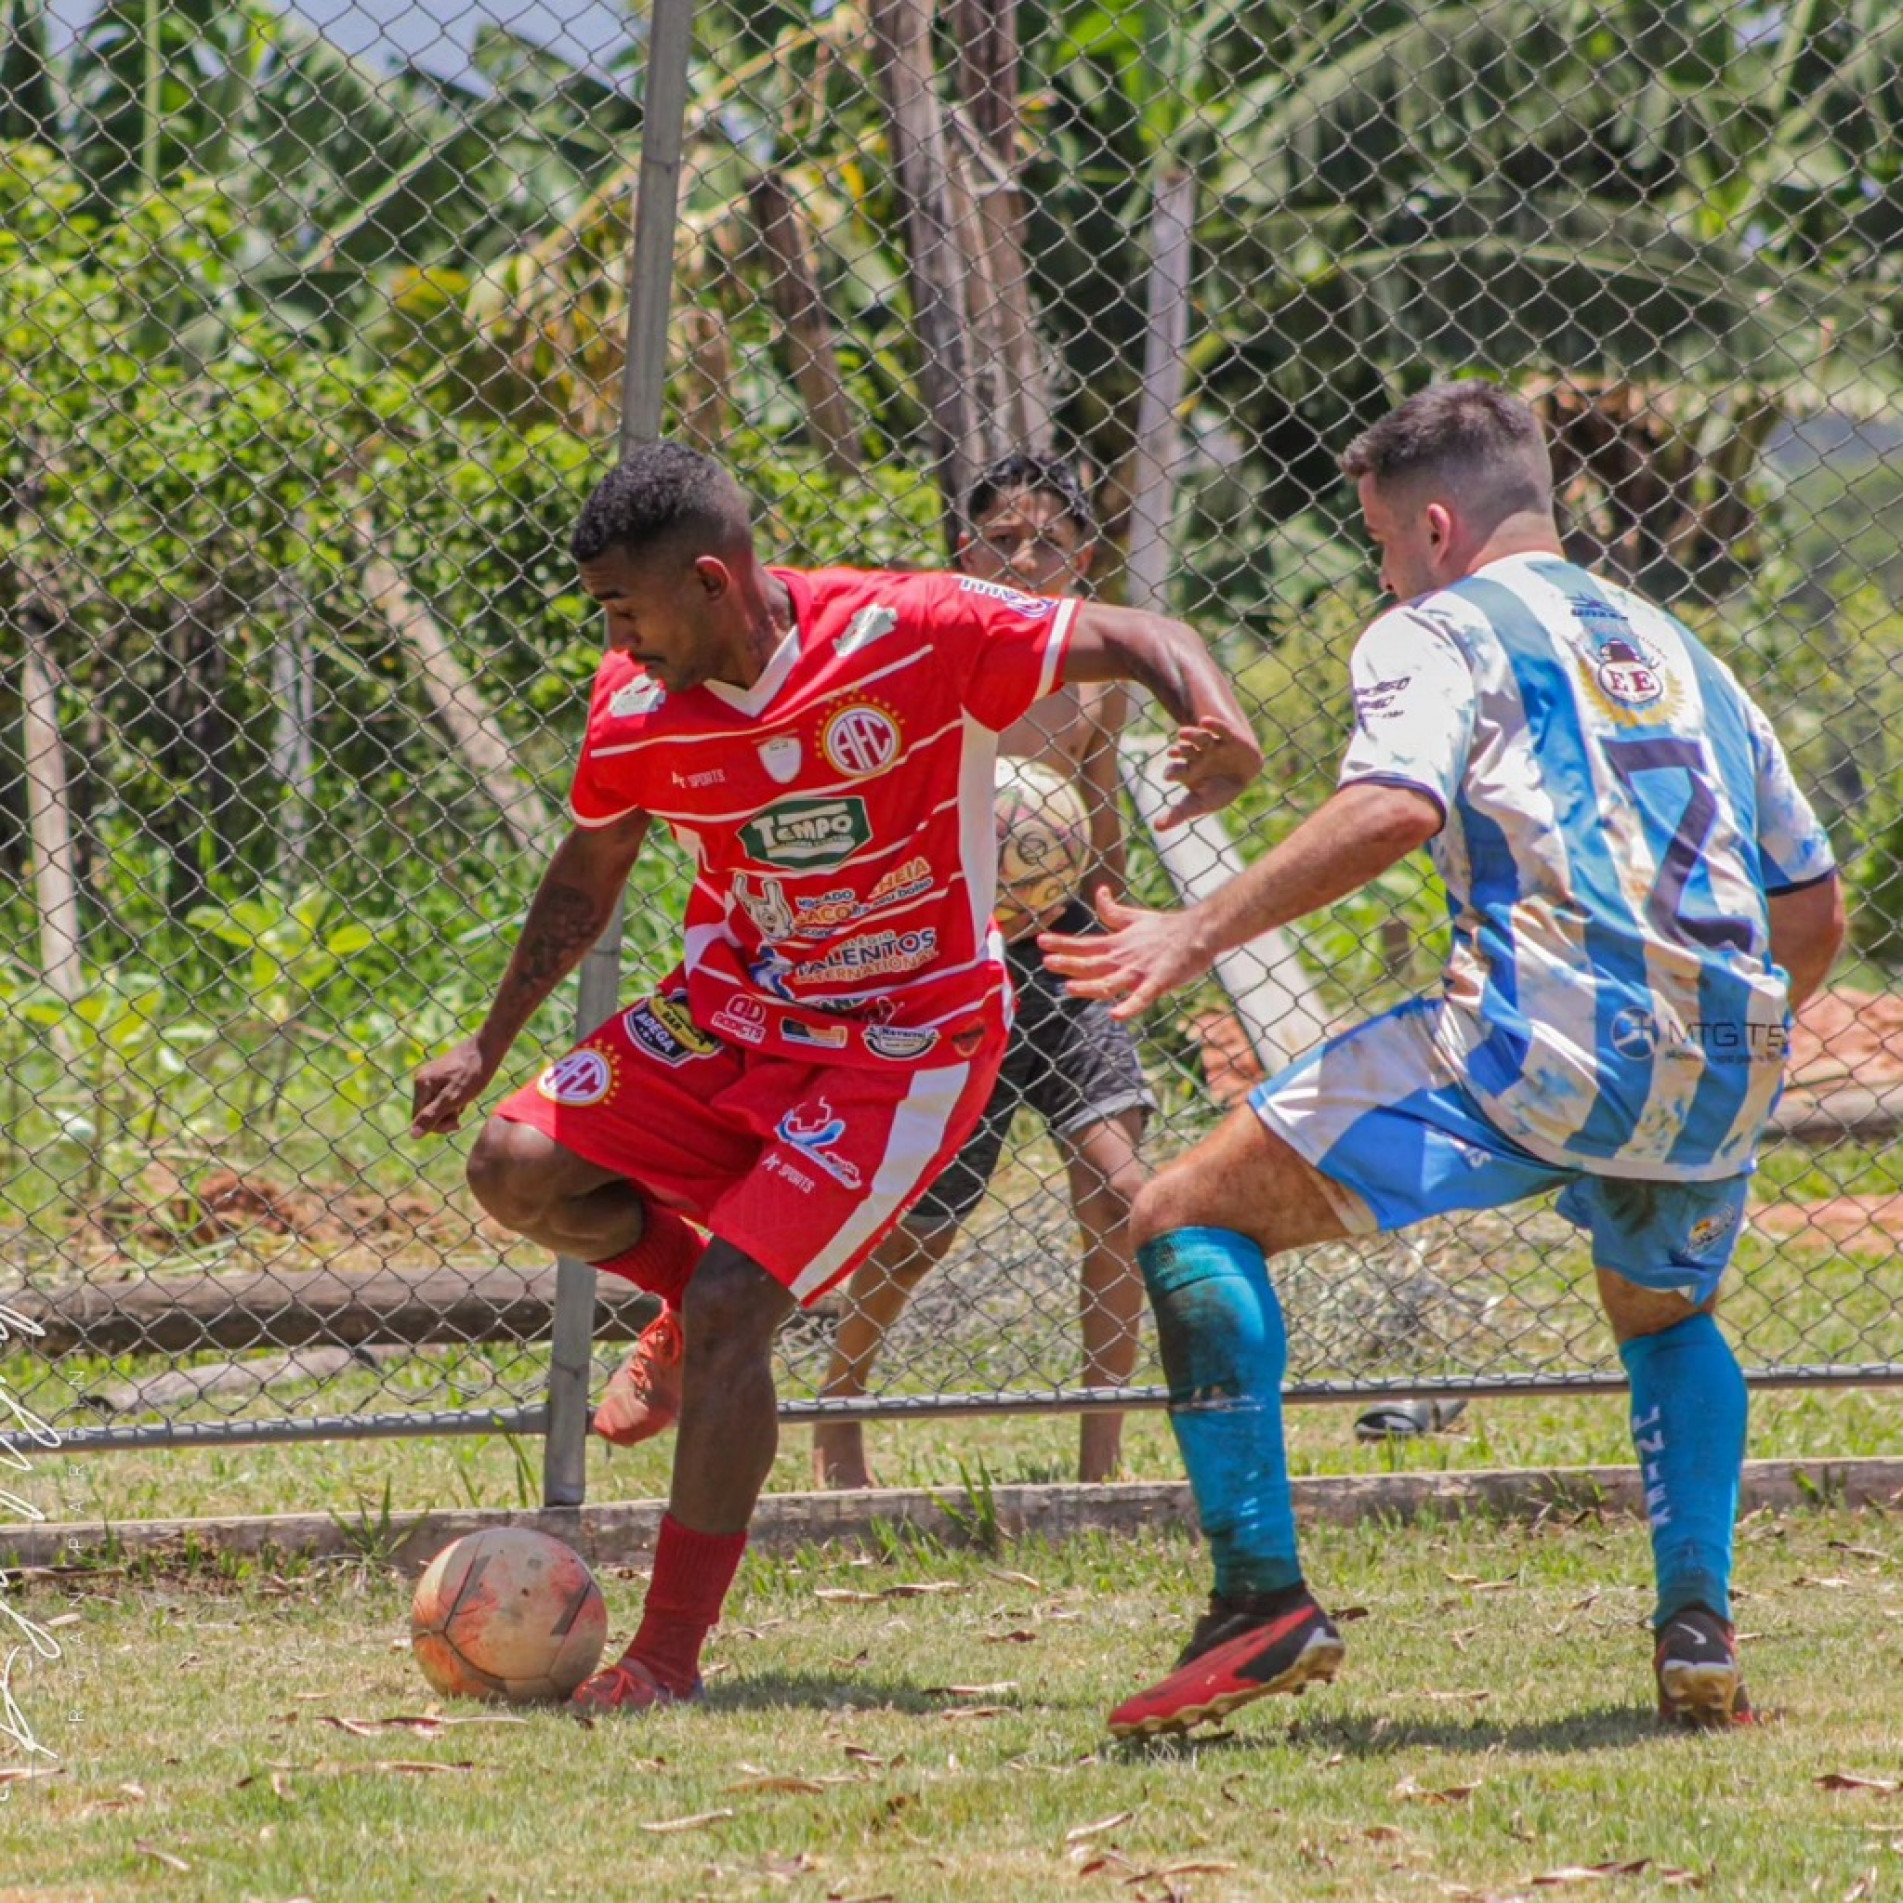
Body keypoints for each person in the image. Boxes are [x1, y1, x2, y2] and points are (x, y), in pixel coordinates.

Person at [1044, 382, 1845, 1738]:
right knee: (1663, 1314)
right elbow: (1810, 914)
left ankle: (1259, 1598)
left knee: (1177, 1214)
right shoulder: (1683, 651)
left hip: (1534, 1034)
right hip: (1721, 1047)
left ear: (1429, 526)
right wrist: (1706, 1041)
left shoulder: (1434, 626)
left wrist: (1192, 927)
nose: (1379, 571)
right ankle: (1693, 1619)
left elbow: (1389, 804)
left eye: (1375, 545)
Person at [409, 441, 1262, 1715]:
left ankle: (669, 1652)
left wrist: (1223, 721)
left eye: (624, 609)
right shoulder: (631, 706)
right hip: (736, 1010)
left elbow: (1141, 629)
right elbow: (587, 878)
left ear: (709, 581)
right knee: (515, 1167)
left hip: (906, 1041)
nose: (616, 637)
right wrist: (489, 1039)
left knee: (743, 1305)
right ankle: (688, 1311)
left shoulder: (912, 629)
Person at [810, 454, 1154, 1490]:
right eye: (1000, 539)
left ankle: (1101, 1461)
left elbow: (1099, 820)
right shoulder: (927, 655)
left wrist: (1119, 923)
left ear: (1081, 561)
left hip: (1057, 954)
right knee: (923, 1227)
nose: (1022, 557)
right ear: (963, 554)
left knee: (1117, 1189)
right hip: (946, 961)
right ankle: (840, 1407)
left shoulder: (1097, 682)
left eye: (1046, 541)